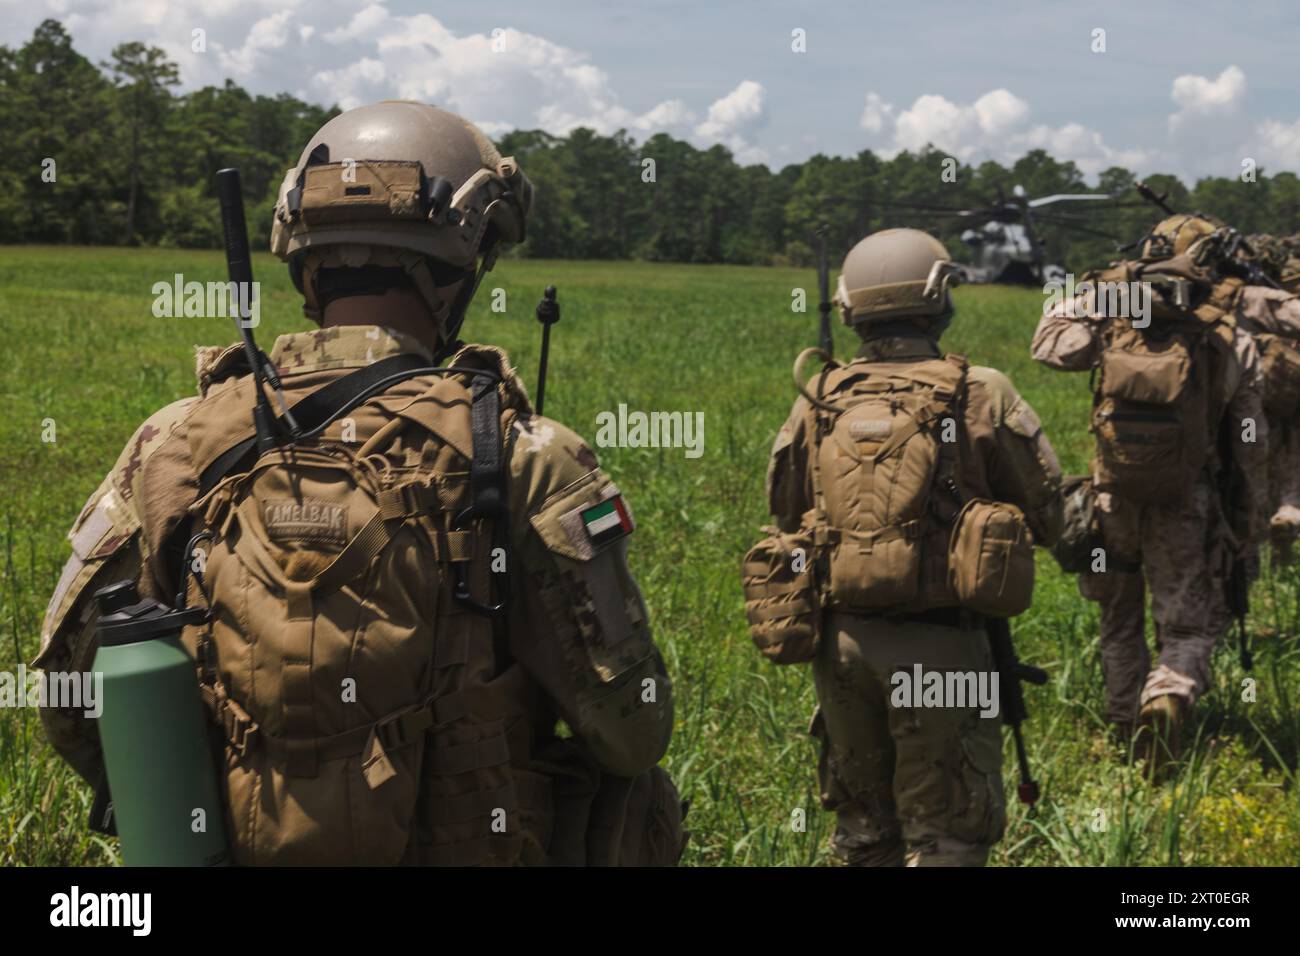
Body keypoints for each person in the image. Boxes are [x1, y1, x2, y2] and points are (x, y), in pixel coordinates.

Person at [35, 100, 682, 866]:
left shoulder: (176, 440)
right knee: (642, 801)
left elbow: (67, 697)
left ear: (302, 261)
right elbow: (632, 730)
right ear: (461, 269)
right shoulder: (522, 454)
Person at [764, 228, 1063, 866]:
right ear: (938, 300)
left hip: (841, 646)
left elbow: (785, 510)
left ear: (849, 309)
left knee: (864, 831)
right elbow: (1048, 506)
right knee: (950, 832)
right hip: (945, 646)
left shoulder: (820, 396)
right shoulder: (982, 389)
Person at [1031, 214, 1267, 774]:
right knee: (1187, 624)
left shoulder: (1117, 318)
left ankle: (1120, 724)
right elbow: (1250, 438)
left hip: (1111, 498)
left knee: (1117, 615)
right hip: (1187, 501)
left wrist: (1096, 294)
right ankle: (1165, 697)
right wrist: (1247, 513)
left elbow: (1048, 346)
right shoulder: (1227, 333)